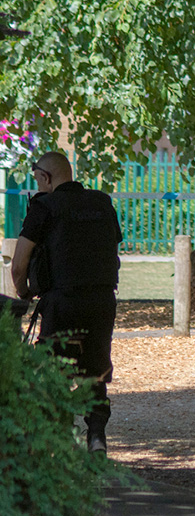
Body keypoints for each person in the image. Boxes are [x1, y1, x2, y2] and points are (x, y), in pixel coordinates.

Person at [11, 151, 122, 452]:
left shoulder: (44, 207)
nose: (38, 186)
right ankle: (97, 434)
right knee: (95, 366)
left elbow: (19, 263)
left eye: (37, 180)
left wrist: (24, 292)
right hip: (102, 300)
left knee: (55, 367)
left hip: (62, 300)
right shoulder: (102, 203)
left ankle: (60, 438)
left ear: (45, 177)